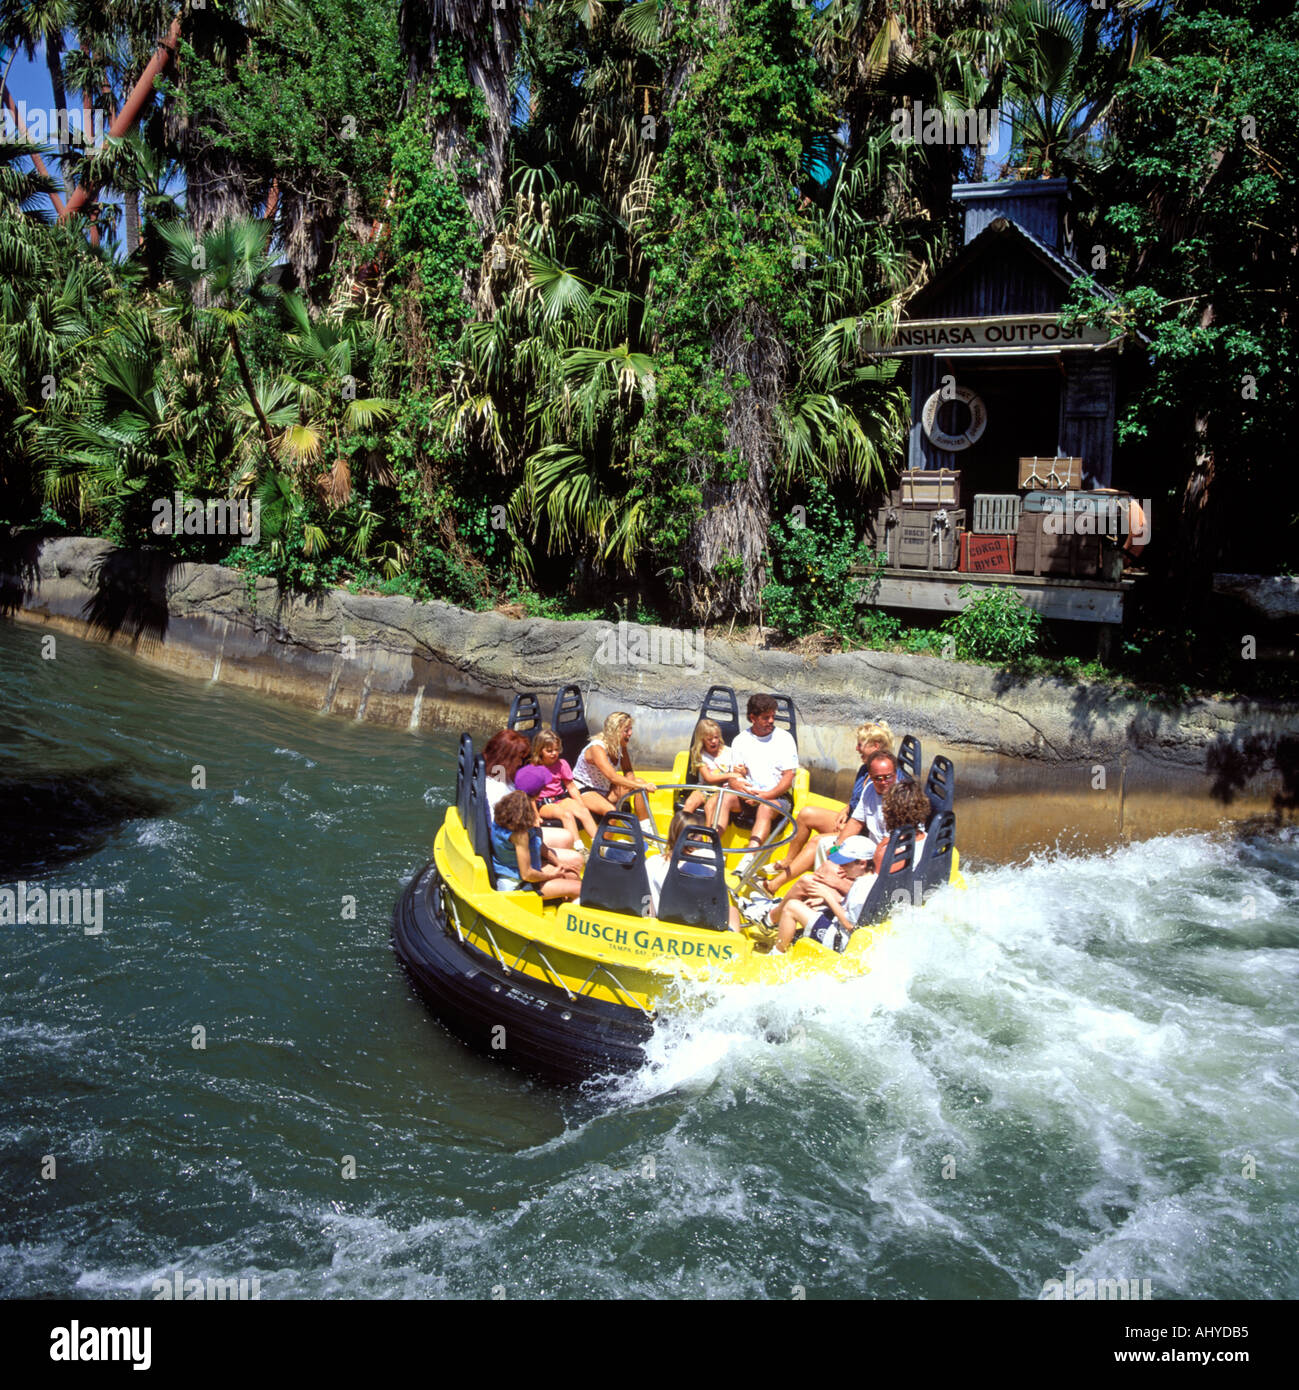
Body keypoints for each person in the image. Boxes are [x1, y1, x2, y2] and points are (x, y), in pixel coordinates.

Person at [775, 781, 932, 953]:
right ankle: (774, 917)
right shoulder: (925, 841)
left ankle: (776, 950)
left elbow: (852, 922)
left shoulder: (871, 877)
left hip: (844, 938)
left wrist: (828, 895)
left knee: (794, 903)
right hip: (873, 915)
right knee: (819, 880)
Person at [762, 721, 893, 883]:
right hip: (853, 820)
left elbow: (876, 821)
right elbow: (861, 800)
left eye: (860, 745)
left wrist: (848, 828)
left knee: (817, 841)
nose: (856, 749)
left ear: (875, 746)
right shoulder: (865, 770)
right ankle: (789, 860)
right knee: (806, 814)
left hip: (864, 833)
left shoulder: (885, 782)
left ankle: (775, 884)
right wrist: (847, 809)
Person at [481, 728, 579, 854]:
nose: (521, 762)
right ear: (506, 758)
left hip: (520, 830)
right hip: (512, 841)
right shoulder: (498, 790)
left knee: (566, 838)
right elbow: (501, 831)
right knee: (569, 846)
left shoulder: (500, 774)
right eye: (518, 758)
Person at [730, 694, 799, 870]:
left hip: (777, 797)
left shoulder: (784, 739)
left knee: (765, 807)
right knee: (719, 800)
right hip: (748, 794)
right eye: (766, 717)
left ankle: (747, 861)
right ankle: (709, 849)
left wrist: (764, 796)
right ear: (752, 718)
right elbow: (736, 774)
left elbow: (788, 778)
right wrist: (742, 788)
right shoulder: (740, 740)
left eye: (773, 716)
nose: (771, 721)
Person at [645, 809, 742, 931]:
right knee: (732, 911)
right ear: (690, 838)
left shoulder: (653, 862)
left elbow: (647, 899)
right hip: (696, 926)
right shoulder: (705, 863)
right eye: (699, 835)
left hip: (661, 921)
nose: (702, 838)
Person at [490, 791, 582, 902]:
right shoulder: (519, 834)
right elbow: (527, 874)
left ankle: (563, 902)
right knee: (580, 889)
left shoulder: (502, 821)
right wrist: (551, 876)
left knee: (572, 875)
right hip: (520, 883)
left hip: (525, 870)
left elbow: (538, 844)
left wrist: (558, 863)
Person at [571, 712, 655, 823]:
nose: (630, 733)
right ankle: (604, 840)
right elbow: (613, 777)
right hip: (584, 790)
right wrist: (640, 785)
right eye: (626, 730)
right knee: (612, 813)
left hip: (605, 789)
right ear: (614, 731)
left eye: (631, 729)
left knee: (640, 787)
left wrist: (634, 786)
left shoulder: (620, 745)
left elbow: (628, 770)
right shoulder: (597, 748)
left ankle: (646, 829)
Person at [527, 729, 599, 840]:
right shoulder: (534, 769)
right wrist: (535, 816)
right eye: (549, 751)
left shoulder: (562, 764)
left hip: (561, 799)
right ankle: (578, 846)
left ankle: (598, 844)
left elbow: (571, 787)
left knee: (583, 811)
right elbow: (531, 797)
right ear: (540, 750)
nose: (554, 753)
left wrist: (580, 803)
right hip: (544, 804)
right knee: (566, 815)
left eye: (556, 750)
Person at [681, 717, 744, 831]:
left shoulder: (729, 752)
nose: (714, 741)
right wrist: (730, 775)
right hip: (703, 788)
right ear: (702, 740)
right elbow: (709, 778)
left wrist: (740, 770)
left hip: (720, 791)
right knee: (689, 803)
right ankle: (680, 834)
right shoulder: (699, 754)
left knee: (709, 807)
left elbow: (739, 771)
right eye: (709, 739)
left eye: (716, 737)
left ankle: (708, 840)